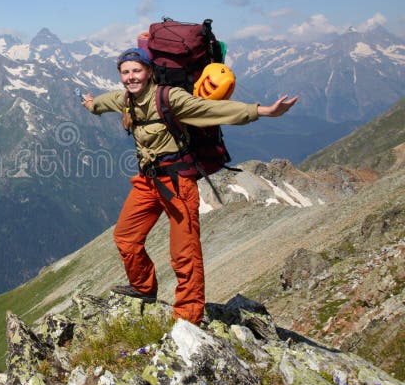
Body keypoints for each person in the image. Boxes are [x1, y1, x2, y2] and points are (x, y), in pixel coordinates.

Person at [81, 47, 298, 325]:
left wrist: (263, 111)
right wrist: (90, 104)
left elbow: (213, 109)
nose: (131, 77)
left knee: (185, 253)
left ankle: (188, 316)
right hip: (147, 181)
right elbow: (102, 103)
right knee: (126, 237)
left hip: (178, 183)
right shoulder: (125, 99)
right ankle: (144, 289)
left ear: (149, 72)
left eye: (136, 70)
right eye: (125, 72)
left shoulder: (170, 98)